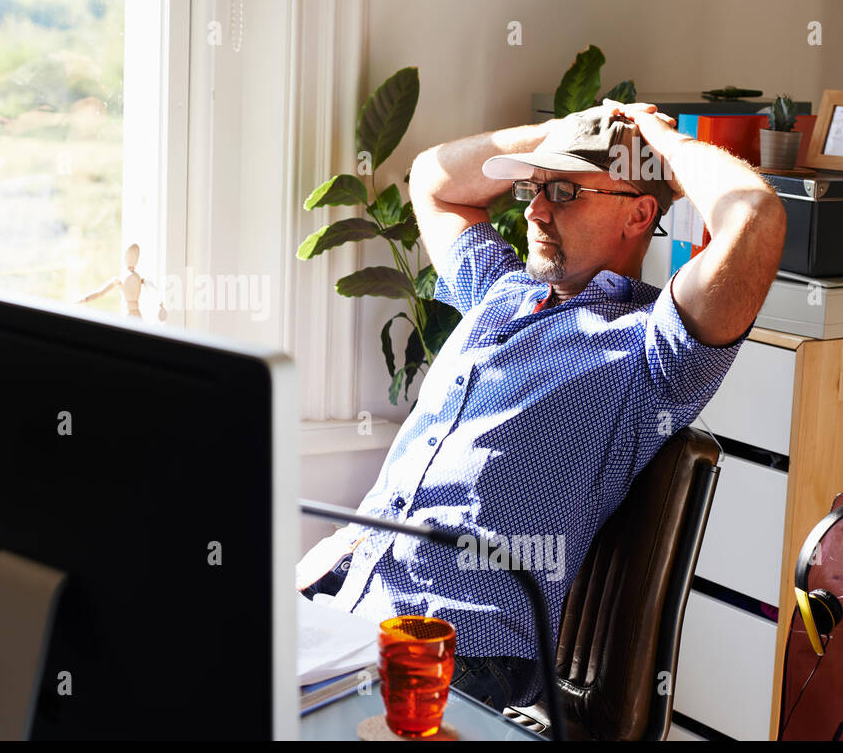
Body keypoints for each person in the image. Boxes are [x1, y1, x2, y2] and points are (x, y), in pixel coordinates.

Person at [296, 100, 787, 710]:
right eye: (532, 186)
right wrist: (562, 132)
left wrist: (659, 142)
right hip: (341, 596)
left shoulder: (651, 348)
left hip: (454, 643)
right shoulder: (498, 290)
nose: (532, 208)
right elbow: (432, 179)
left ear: (639, 213)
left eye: (562, 190)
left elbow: (757, 219)